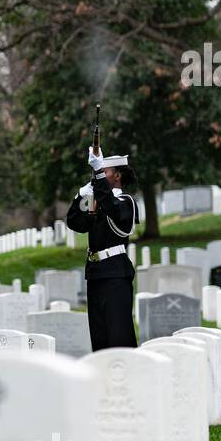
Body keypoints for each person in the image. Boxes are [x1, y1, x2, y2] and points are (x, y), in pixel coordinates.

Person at [65, 149, 138, 350]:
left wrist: (98, 178)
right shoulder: (97, 200)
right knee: (99, 337)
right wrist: (81, 194)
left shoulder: (126, 201)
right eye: (98, 171)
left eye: (103, 171)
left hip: (115, 273)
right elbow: (74, 222)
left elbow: (113, 209)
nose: (98, 175)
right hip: (95, 272)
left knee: (118, 335)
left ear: (117, 175)